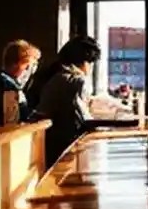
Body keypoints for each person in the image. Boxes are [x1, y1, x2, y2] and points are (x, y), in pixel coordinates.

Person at [31, 35, 101, 165]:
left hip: (45, 148)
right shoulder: (76, 81)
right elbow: (83, 120)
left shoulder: (54, 76)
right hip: (64, 150)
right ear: (85, 62)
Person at [0, 40, 41, 128]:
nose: (29, 73)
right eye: (28, 67)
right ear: (16, 64)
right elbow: (13, 123)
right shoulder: (9, 88)